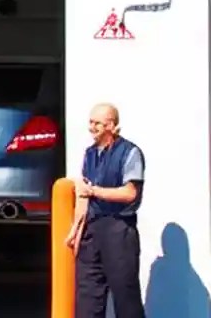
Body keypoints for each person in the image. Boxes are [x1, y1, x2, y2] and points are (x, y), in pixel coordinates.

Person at [64, 103, 146, 318]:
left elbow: (130, 193)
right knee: (87, 296)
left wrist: (95, 191)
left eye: (97, 123)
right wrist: (76, 231)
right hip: (92, 229)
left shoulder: (130, 152)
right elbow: (84, 196)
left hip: (118, 227)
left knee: (125, 296)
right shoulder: (90, 153)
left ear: (111, 125)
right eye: (90, 122)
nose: (91, 127)